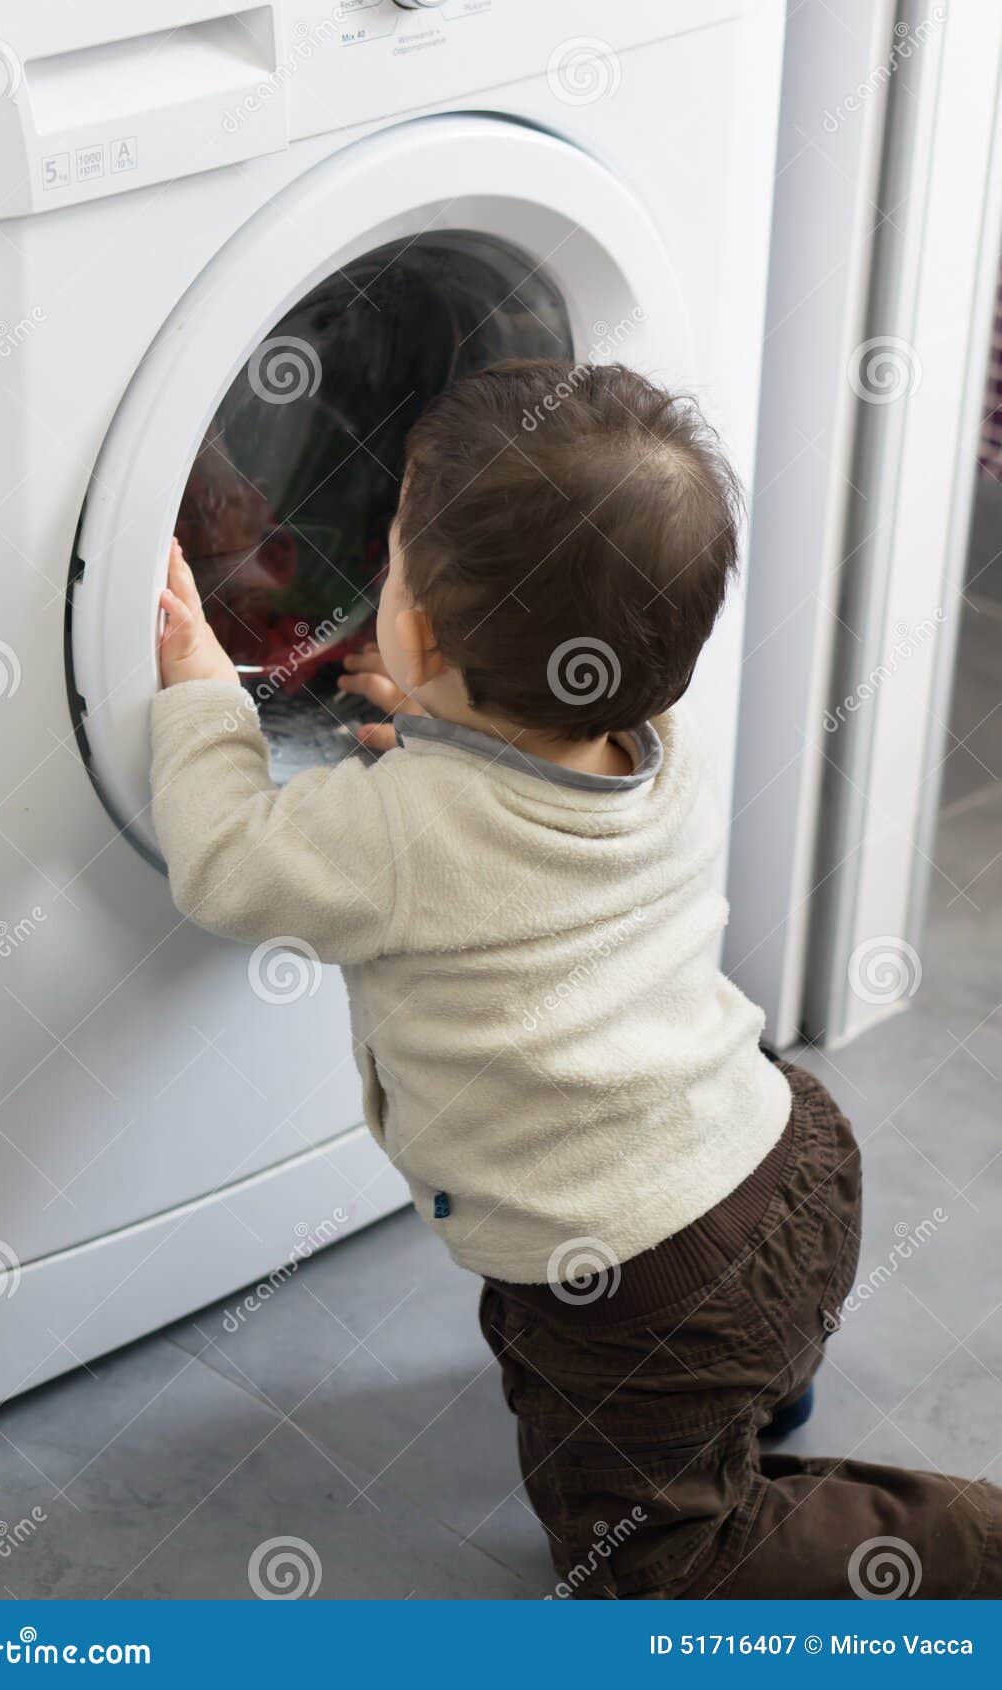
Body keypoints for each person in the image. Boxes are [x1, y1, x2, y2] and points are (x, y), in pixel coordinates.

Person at [150, 359, 1002, 1598]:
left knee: (644, 1577)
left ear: (423, 633)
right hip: (788, 1158)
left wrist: (197, 701)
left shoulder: (400, 835)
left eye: (392, 566)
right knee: (720, 1347)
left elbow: (227, 862)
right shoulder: (663, 745)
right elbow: (525, 784)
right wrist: (444, 714)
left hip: (649, 1299)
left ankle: (960, 1548)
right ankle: (757, 1393)